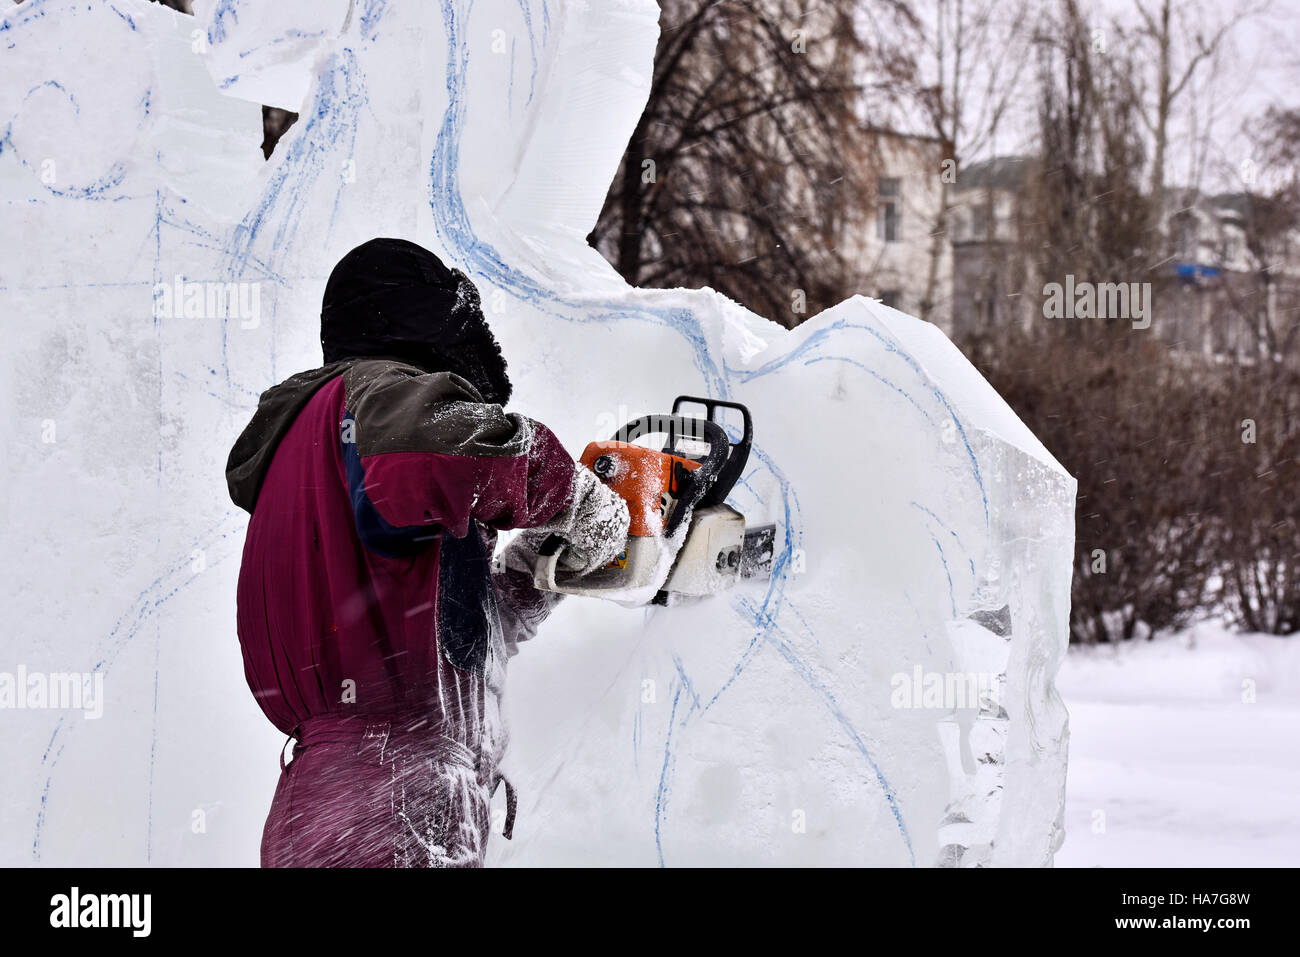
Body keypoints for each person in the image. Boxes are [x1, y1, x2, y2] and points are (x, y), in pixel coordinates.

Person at [225, 237, 629, 867]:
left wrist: (536, 574)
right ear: (427, 322)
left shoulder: (327, 462)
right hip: (388, 801)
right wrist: (572, 495)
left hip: (347, 800)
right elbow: (449, 453)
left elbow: (439, 631)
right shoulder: (377, 394)